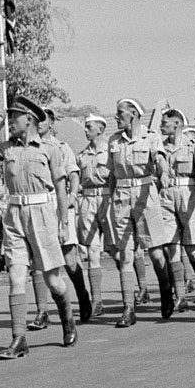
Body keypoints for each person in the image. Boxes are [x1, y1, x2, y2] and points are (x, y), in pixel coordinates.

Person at [0, 95, 77, 359]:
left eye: (14, 117)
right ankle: (19, 339)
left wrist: (63, 223)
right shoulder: (7, 148)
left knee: (53, 280)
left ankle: (67, 317)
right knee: (16, 277)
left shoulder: (50, 149)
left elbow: (61, 190)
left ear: (29, 119)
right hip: (14, 215)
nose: (10, 122)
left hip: (42, 215)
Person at [106, 98, 171, 327]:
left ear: (133, 114)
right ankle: (128, 309)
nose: (116, 117)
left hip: (146, 196)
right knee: (126, 255)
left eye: (120, 113)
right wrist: (108, 202)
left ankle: (165, 289)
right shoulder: (114, 141)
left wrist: (163, 173)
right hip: (122, 199)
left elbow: (160, 159)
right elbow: (112, 175)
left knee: (155, 254)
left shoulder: (151, 136)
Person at [27, 108, 91, 328]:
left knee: (70, 261)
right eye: (36, 119)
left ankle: (82, 295)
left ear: (52, 123)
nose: (40, 122)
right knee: (38, 261)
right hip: (36, 206)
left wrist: (72, 195)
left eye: (44, 119)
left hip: (59, 202)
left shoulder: (61, 148)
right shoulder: (26, 148)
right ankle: (42, 311)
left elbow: (73, 175)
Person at [158, 108, 195, 312]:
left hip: (189, 194)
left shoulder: (192, 146)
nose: (162, 126)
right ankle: (180, 296)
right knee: (171, 246)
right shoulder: (160, 148)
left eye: (165, 122)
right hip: (166, 196)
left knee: (192, 250)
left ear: (177, 124)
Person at [76, 113, 113, 318]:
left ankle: (137, 287)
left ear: (100, 129)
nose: (85, 130)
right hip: (88, 201)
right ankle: (97, 300)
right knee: (92, 250)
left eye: (89, 126)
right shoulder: (81, 155)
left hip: (108, 199)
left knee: (118, 250)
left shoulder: (111, 152)